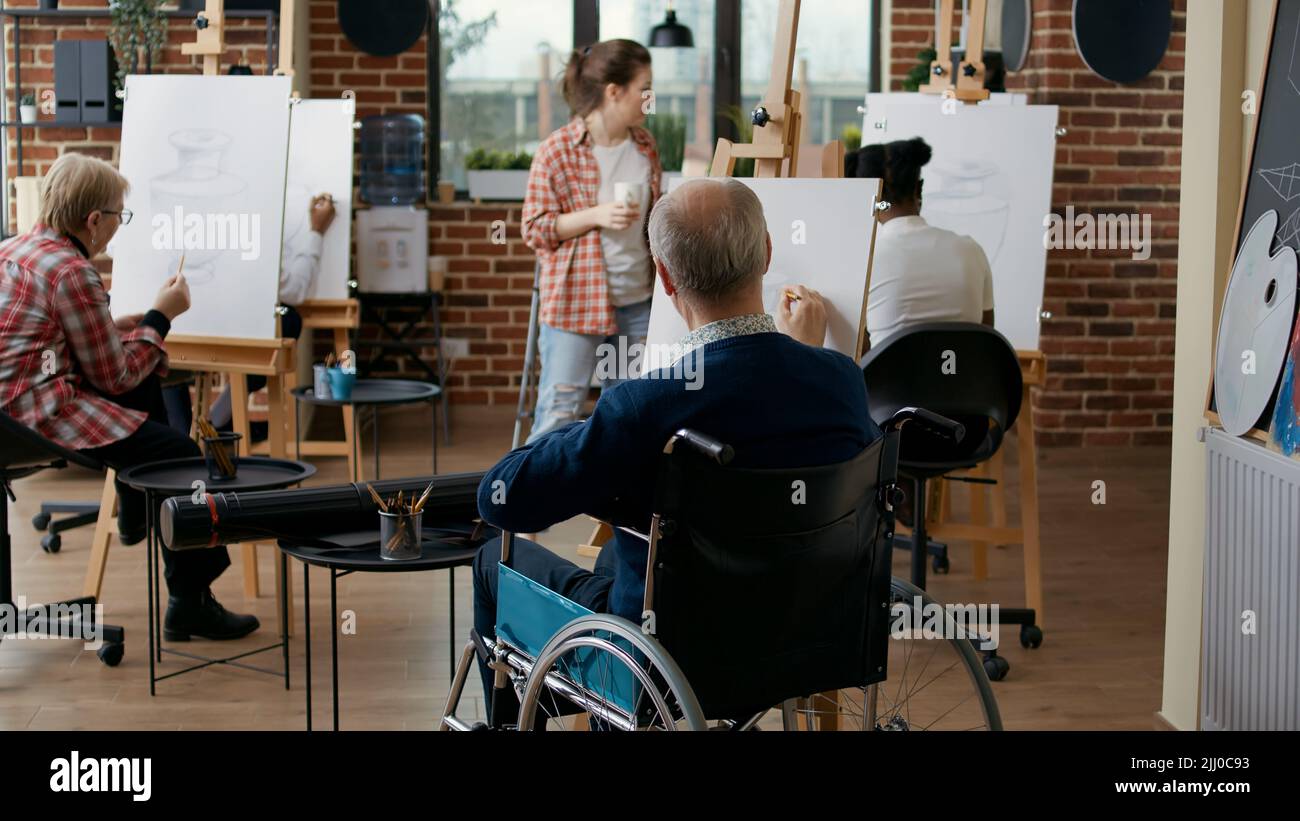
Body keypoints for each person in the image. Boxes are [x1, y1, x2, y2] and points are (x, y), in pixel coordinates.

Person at [471, 178, 882, 717]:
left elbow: (501, 498)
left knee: (489, 561)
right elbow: (775, 407)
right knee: (614, 561)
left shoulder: (646, 407)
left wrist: (577, 425)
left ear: (663, 278)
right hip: (804, 637)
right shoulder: (841, 380)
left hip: (668, 661)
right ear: (766, 253)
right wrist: (802, 356)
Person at [0, 152, 259, 641]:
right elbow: (115, 377)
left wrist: (120, 327)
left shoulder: (15, 248)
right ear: (94, 220)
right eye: (120, 215)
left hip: (7, 407)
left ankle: (137, 500)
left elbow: (49, 340)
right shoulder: (72, 272)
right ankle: (190, 600)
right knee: (182, 457)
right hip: (31, 417)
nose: (120, 226)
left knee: (144, 380)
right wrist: (162, 316)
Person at [522, 38, 662, 442]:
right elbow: (534, 228)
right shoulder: (557, 151)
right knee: (558, 415)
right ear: (614, 91)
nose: (650, 97)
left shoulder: (645, 147)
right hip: (575, 305)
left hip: (636, 300)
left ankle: (615, 506)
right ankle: (531, 502)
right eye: (644, 87)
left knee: (628, 417)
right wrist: (595, 216)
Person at [206, 193, 337, 434]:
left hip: (185, 323)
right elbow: (295, 290)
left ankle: (209, 423)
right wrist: (316, 231)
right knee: (286, 320)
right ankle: (214, 424)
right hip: (232, 326)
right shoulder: (247, 230)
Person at [846, 137, 995, 351]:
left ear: (870, 198)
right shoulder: (971, 251)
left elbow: (856, 352)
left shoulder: (864, 260)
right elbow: (986, 339)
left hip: (887, 384)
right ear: (919, 189)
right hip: (964, 383)